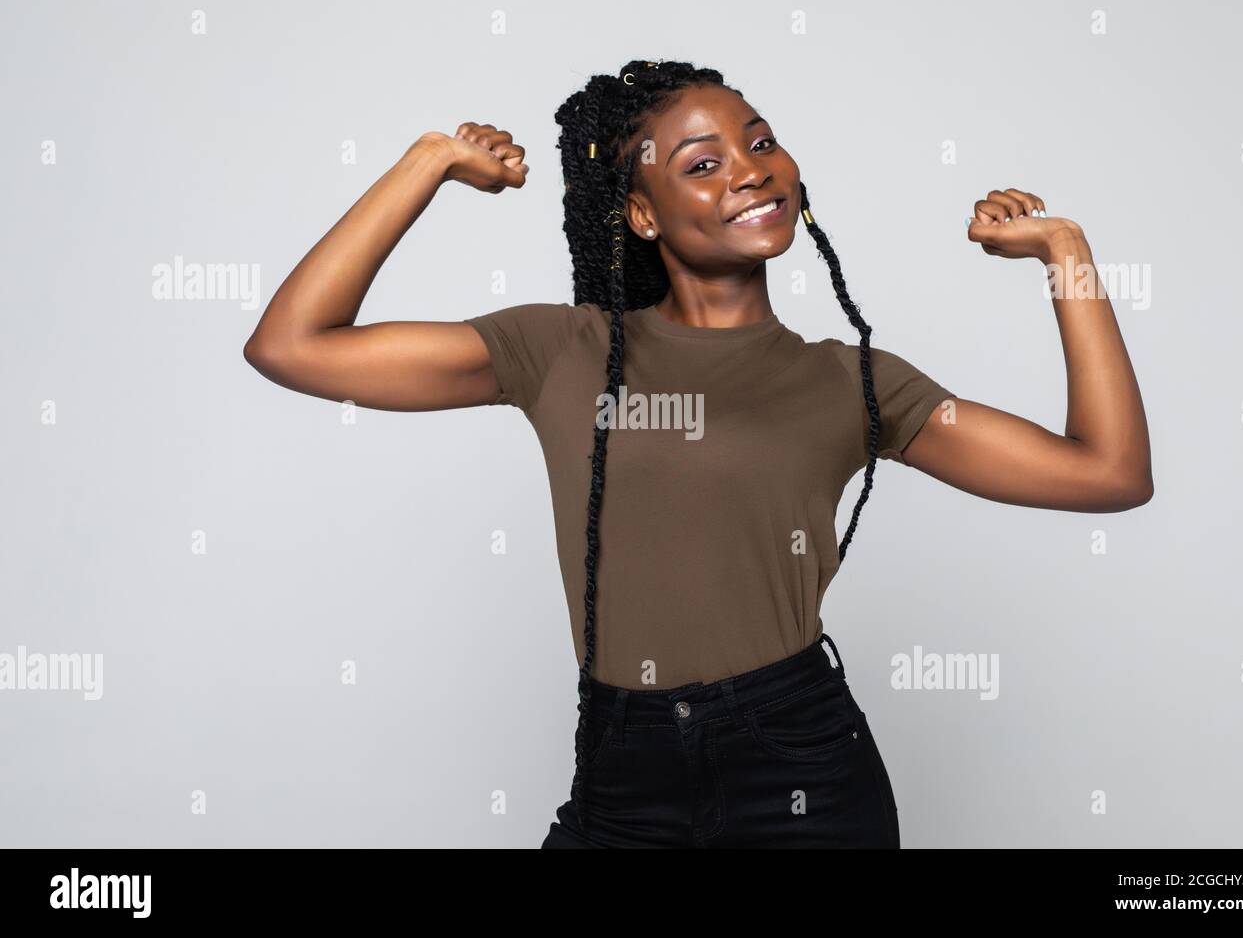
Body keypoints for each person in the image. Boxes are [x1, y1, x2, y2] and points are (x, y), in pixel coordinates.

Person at [243, 59, 1153, 848]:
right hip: (620, 774)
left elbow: (1107, 473)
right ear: (641, 213)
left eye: (761, 144)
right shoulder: (562, 349)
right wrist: (428, 162)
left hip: (801, 768)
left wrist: (1064, 254)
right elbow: (292, 345)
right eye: (704, 164)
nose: (751, 175)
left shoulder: (858, 384)